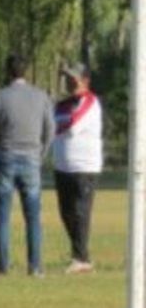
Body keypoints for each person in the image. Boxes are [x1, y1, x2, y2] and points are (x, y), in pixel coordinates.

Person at [0, 54, 54, 276]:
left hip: (5, 156)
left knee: (2, 214)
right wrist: (41, 153)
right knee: (33, 215)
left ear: (7, 71)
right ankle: (34, 265)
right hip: (32, 157)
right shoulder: (41, 96)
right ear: (26, 70)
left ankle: (3, 264)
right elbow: (50, 129)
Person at [52, 63, 103, 274]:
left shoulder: (90, 102)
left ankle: (80, 258)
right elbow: (50, 122)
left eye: (75, 78)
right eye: (68, 78)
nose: (71, 82)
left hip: (84, 166)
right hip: (62, 165)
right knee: (66, 213)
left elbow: (73, 125)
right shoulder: (61, 104)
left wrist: (54, 128)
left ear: (85, 81)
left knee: (81, 213)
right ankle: (79, 254)